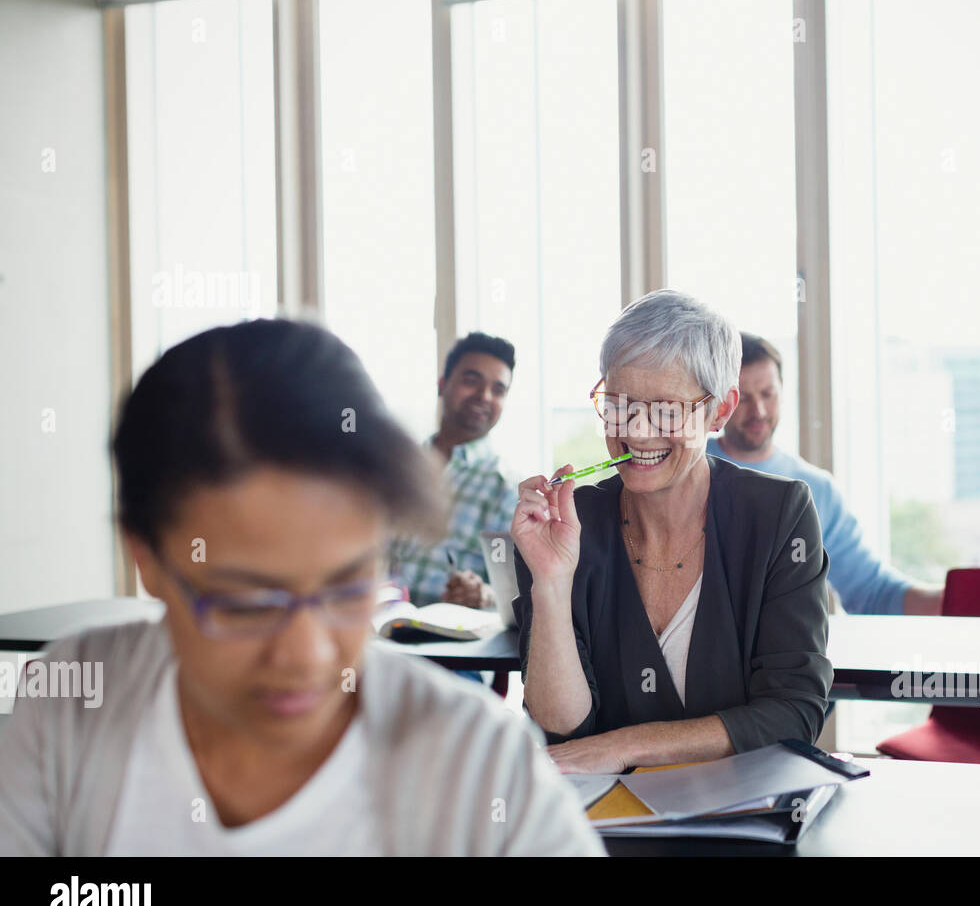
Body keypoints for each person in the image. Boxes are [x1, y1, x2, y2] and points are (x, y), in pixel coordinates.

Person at [0, 320, 603, 856]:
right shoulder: (75, 710)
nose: (306, 656)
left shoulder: (477, 762)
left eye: (347, 587)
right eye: (245, 602)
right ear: (145, 558)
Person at [510, 291, 832, 775]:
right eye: (620, 404)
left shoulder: (778, 515)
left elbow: (793, 713)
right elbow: (562, 731)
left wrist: (625, 747)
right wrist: (552, 585)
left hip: (737, 823)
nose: (637, 432)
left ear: (719, 412)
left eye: (665, 410)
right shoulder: (568, 527)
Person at [707, 333, 944, 615]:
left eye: (768, 394)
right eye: (743, 398)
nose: (758, 411)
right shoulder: (688, 468)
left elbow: (871, 592)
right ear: (722, 402)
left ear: (782, 392)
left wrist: (958, 598)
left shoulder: (816, 490)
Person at [388, 332, 518, 610]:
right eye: (472, 381)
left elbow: (517, 597)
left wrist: (484, 595)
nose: (484, 396)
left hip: (454, 648)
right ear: (442, 385)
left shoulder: (507, 491)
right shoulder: (395, 468)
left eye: (498, 389)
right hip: (376, 635)